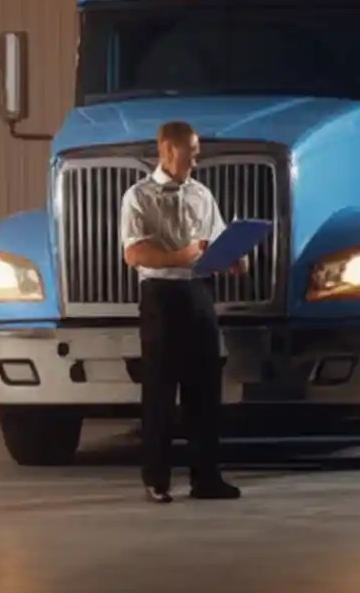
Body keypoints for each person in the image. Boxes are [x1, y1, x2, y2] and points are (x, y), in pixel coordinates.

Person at [120, 121, 246, 503]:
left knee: (205, 389)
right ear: (166, 148)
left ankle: (206, 477)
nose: (197, 154)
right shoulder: (138, 197)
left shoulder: (202, 194)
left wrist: (233, 258)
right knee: (160, 389)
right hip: (160, 294)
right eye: (190, 147)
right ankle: (156, 478)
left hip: (198, 293)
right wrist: (181, 256)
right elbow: (134, 252)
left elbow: (215, 239)